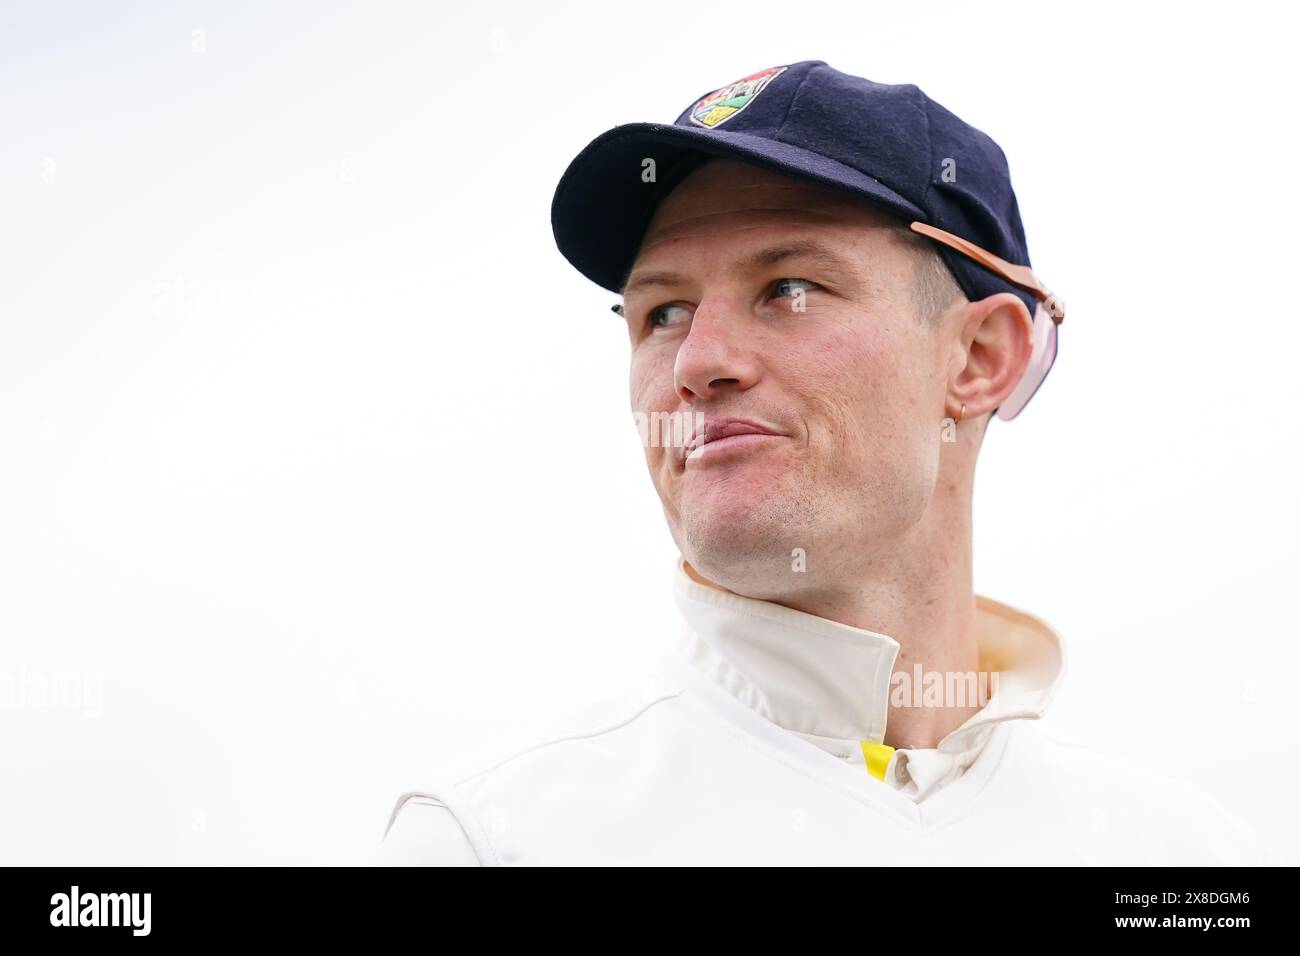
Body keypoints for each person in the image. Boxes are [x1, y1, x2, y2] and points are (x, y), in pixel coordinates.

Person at [372, 61, 1270, 865]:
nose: (696, 363)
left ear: (978, 359)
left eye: (789, 289)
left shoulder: (1189, 860)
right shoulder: (493, 840)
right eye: (663, 313)